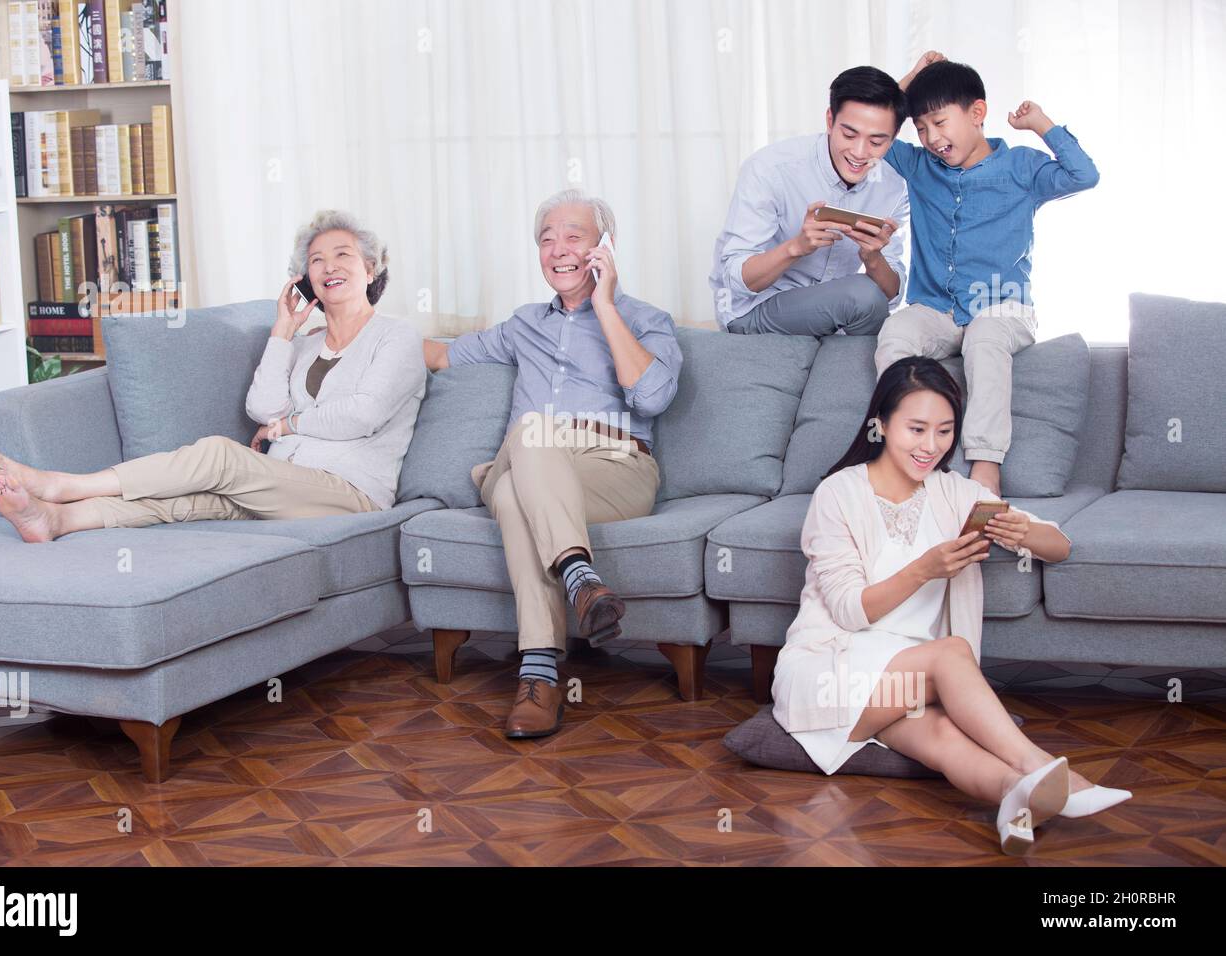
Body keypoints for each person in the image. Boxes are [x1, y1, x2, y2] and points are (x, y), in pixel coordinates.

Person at [771, 356, 1131, 854]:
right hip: (829, 674)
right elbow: (850, 610)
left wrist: (1024, 532)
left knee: (943, 739)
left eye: (944, 431)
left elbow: (1061, 546)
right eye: (916, 429)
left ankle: (1014, 800)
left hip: (905, 688)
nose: (931, 446)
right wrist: (925, 568)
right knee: (951, 653)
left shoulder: (956, 493)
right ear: (880, 424)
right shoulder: (838, 493)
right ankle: (1044, 768)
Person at [0, 210, 426, 541]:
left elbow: (361, 415)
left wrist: (286, 426)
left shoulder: (397, 336)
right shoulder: (305, 343)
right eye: (317, 260)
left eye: (343, 256)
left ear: (370, 269)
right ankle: (58, 518)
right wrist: (282, 332)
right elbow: (262, 407)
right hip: (284, 483)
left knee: (220, 456)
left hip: (352, 495)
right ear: (305, 280)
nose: (329, 267)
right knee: (196, 501)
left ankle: (65, 485)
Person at [422, 188, 682, 740]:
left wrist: (607, 305)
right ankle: (580, 579)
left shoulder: (647, 320)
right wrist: (347, 330)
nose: (558, 249)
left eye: (574, 236)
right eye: (547, 239)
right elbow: (440, 355)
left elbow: (654, 397)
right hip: (532, 453)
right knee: (532, 437)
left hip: (613, 469)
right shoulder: (521, 326)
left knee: (518, 493)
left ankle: (539, 676)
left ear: (604, 247)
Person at [876, 53, 1100, 497]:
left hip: (1003, 307)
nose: (931, 137)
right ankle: (905, 452)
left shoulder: (1021, 167)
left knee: (985, 337)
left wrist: (1041, 124)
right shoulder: (919, 166)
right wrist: (911, 82)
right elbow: (876, 133)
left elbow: (1084, 175)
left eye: (940, 123)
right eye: (921, 128)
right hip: (936, 308)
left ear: (977, 113)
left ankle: (984, 465)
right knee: (896, 332)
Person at [709, 66, 910, 336]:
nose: (860, 153)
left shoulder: (892, 188)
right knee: (862, 295)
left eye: (876, 142)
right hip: (755, 308)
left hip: (827, 312)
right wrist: (797, 247)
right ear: (830, 120)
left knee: (875, 300)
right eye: (849, 135)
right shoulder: (771, 169)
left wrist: (873, 257)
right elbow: (736, 279)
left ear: (893, 138)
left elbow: (890, 295)